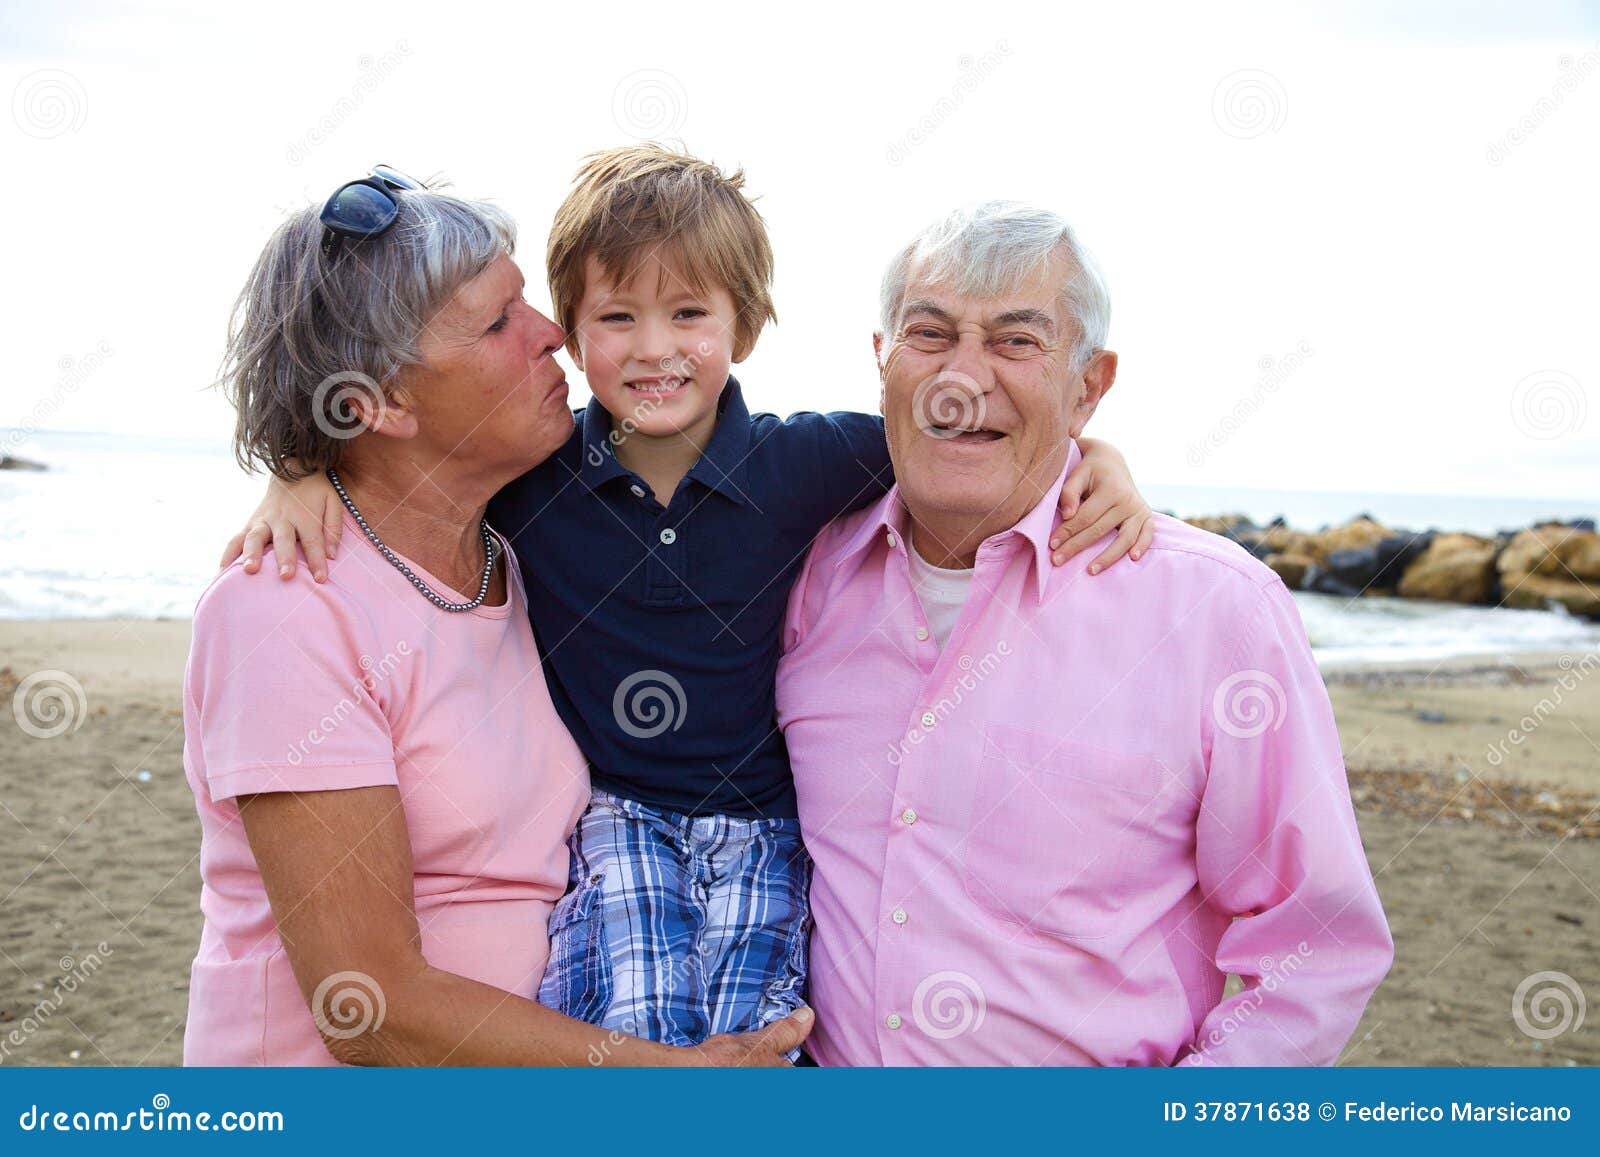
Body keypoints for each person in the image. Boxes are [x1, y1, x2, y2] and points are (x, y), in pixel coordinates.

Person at [223, 148, 1155, 1053]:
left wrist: (1094, 459)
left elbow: (961, 446)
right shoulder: (522, 485)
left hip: (764, 826)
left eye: (688, 314)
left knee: (768, 1036)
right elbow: (394, 476)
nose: (648, 347)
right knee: (646, 1025)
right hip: (616, 828)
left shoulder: (802, 461)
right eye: (611, 317)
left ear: (743, 327)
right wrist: (299, 468)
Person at [185, 166, 809, 1065]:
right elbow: (369, 1007)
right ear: (385, 403)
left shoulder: (515, 558)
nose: (555, 332)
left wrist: (1084, 454)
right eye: (498, 322)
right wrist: (667, 1078)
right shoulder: (283, 610)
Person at [776, 201, 1394, 1066]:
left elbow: (1316, 942)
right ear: (881, 361)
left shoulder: (1214, 610)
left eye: (1015, 341)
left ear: (1089, 386)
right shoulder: (799, 577)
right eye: (930, 334)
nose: (962, 379)